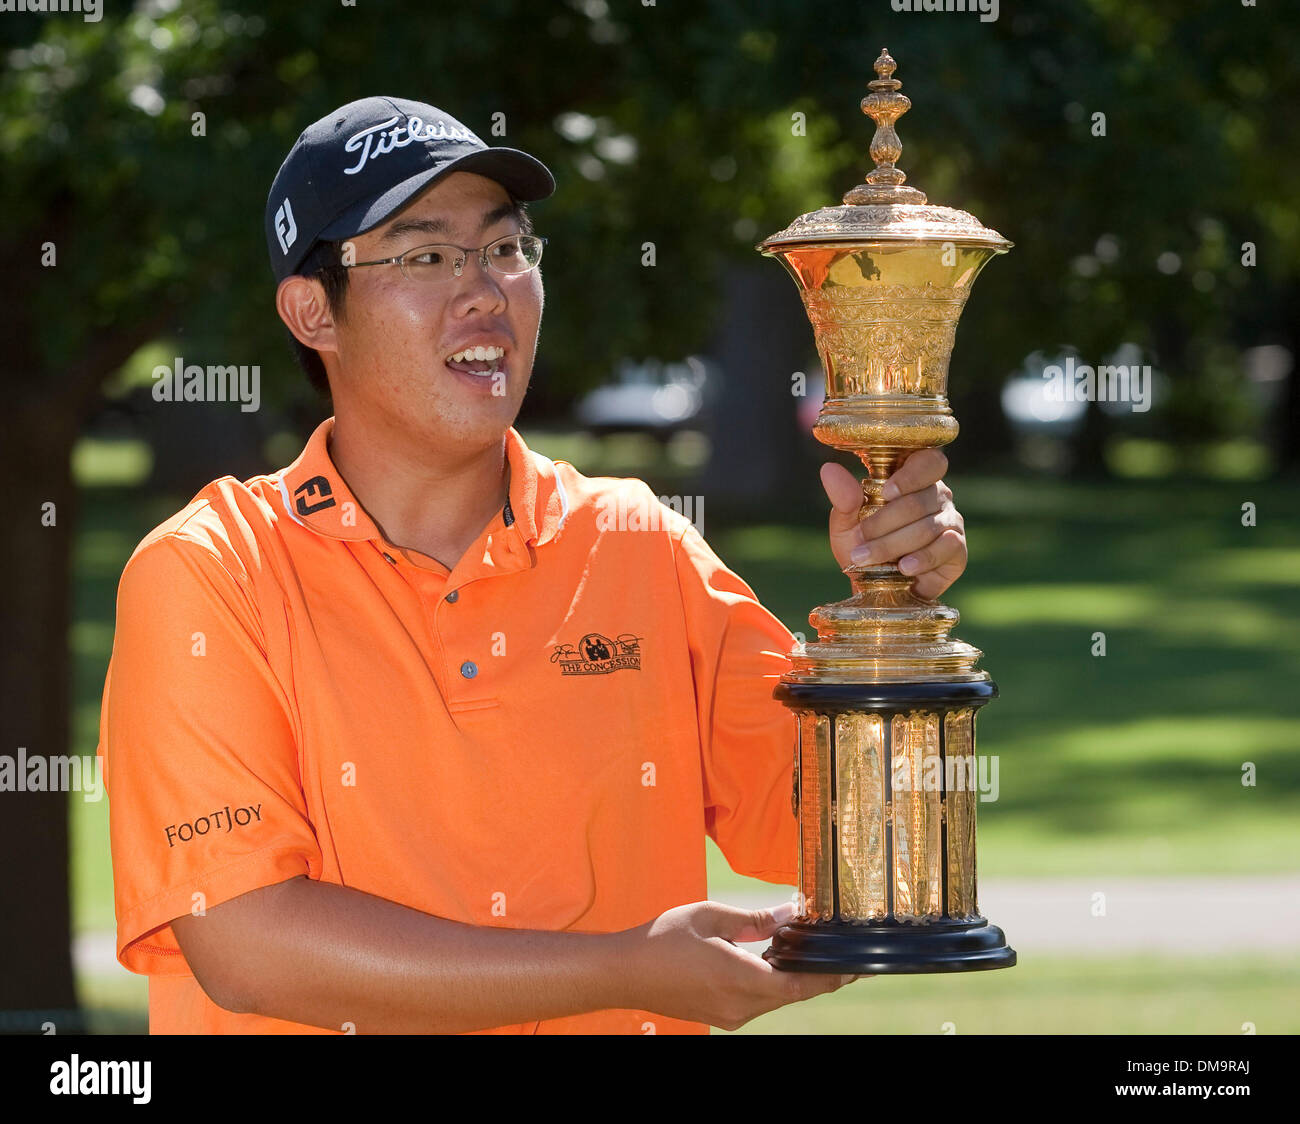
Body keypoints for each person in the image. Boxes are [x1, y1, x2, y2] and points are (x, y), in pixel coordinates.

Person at [98, 97, 969, 1035]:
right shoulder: (209, 571)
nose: (484, 290)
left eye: (506, 249)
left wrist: (892, 624)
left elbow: (861, 848)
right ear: (314, 310)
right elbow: (247, 945)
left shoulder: (639, 543)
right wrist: (624, 973)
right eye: (427, 255)